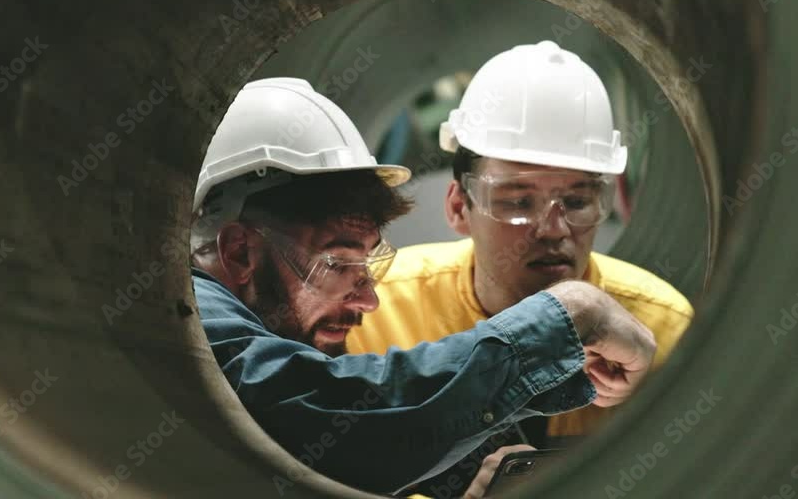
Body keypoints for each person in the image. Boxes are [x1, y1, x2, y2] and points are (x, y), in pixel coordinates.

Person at [190, 77, 657, 495]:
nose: (371, 301)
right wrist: (569, 315)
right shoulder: (193, 319)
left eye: (576, 199)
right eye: (338, 263)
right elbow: (334, 417)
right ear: (238, 252)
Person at [345, 41, 695, 497]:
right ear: (458, 207)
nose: (553, 229)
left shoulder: (662, 327)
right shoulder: (378, 311)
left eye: (576, 201)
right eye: (516, 201)